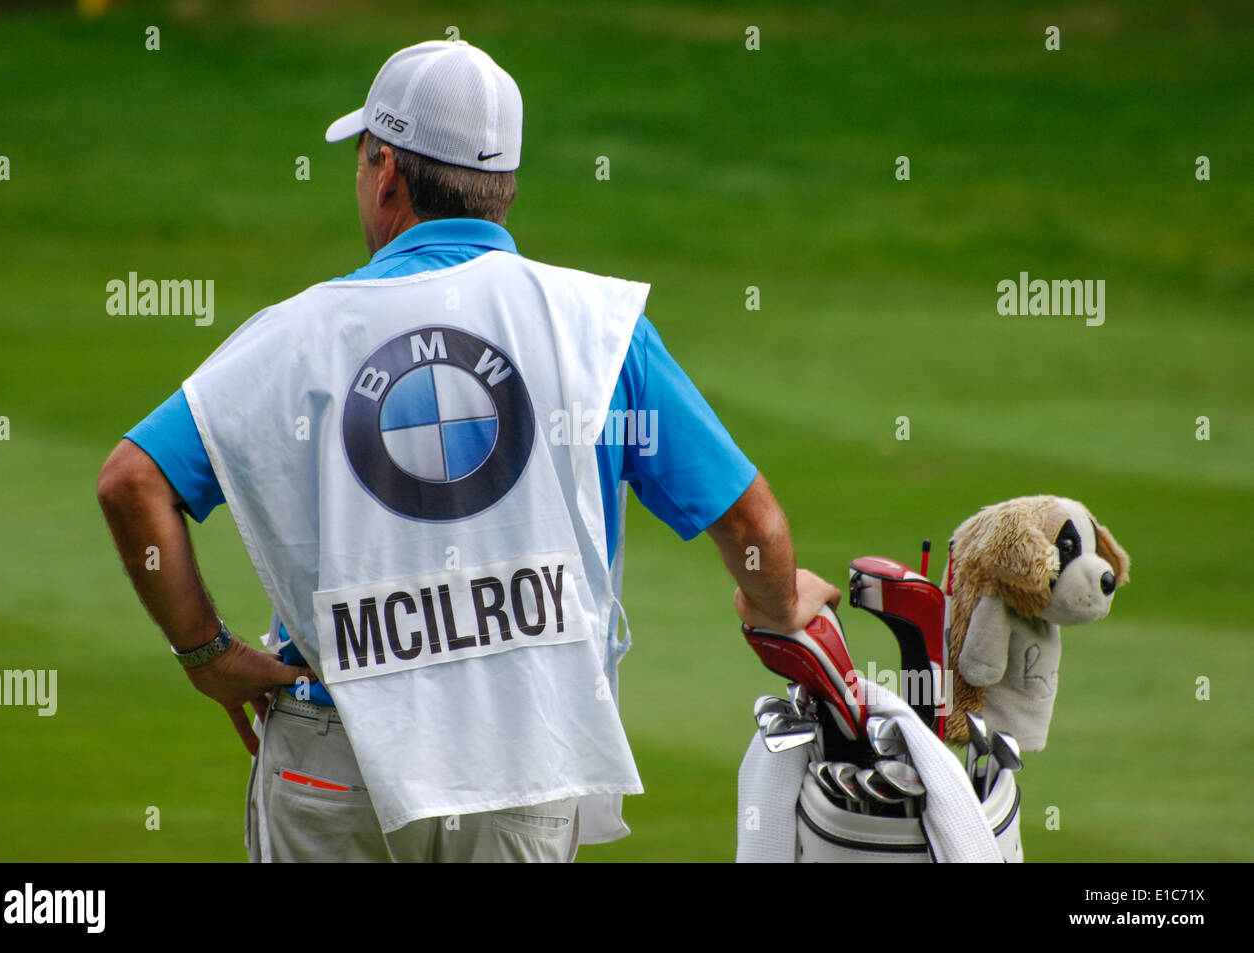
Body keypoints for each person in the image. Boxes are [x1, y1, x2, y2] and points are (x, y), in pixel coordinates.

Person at [97, 39, 841, 863]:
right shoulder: (597, 327)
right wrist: (775, 608)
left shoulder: (293, 334)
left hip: (334, 761)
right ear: (502, 186)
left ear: (387, 173)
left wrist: (206, 653)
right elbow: (756, 528)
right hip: (522, 757)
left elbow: (132, 482)